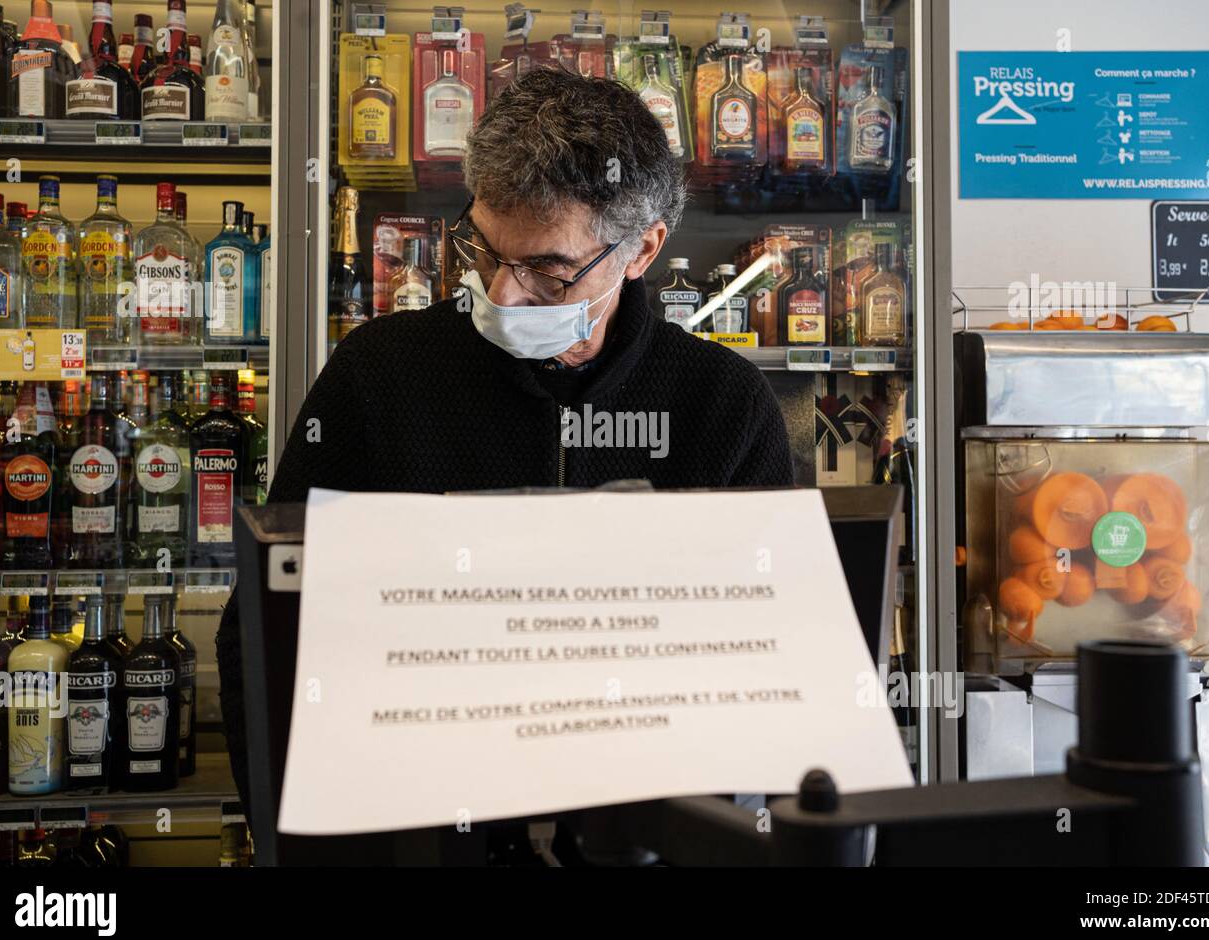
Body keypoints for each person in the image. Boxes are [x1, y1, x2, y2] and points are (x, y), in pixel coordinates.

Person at [216, 67, 794, 820]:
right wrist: (299, 830)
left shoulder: (722, 406)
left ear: (643, 250)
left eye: (548, 274)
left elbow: (772, 670)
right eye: (485, 251)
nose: (502, 294)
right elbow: (264, 633)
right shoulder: (379, 375)